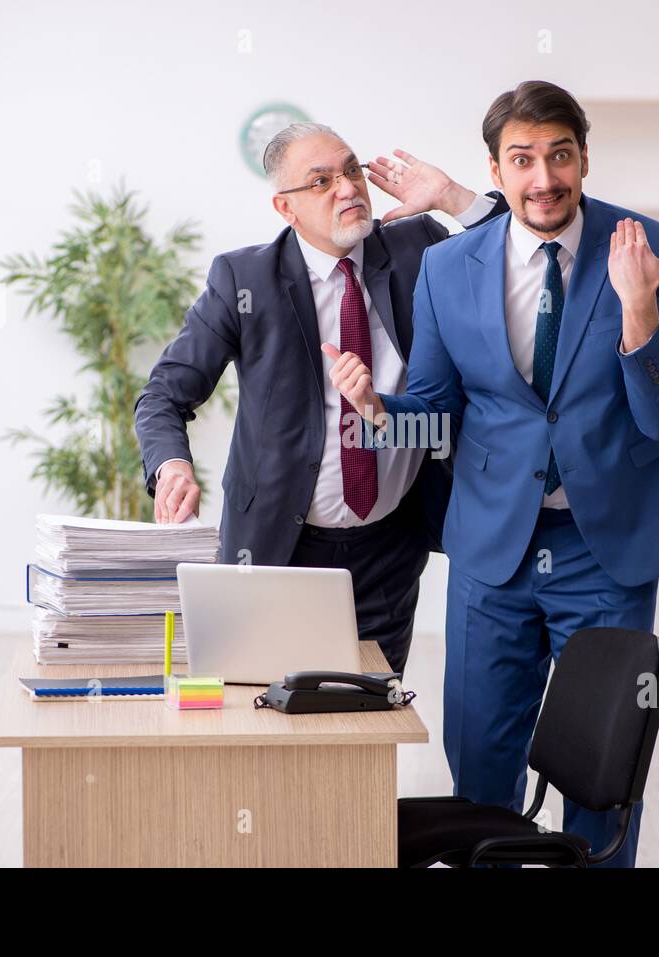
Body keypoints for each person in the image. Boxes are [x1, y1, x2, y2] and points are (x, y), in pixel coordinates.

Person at [325, 81, 659, 865]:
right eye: (523, 159)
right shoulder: (448, 266)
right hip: (493, 551)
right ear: (494, 170)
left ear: (584, 157)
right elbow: (437, 413)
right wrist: (379, 409)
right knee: (480, 767)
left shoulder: (649, 247)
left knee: (603, 779)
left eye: (560, 155)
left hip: (607, 548)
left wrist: (639, 313)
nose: (544, 178)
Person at [134, 122, 506, 675]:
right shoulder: (244, 279)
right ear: (286, 207)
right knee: (263, 705)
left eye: (352, 170)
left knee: (370, 709)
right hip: (278, 550)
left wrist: (454, 196)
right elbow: (164, 394)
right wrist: (171, 465)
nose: (348, 188)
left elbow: (521, 253)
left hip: (391, 547)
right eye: (321, 181)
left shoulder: (417, 248)